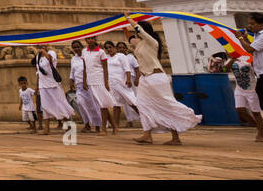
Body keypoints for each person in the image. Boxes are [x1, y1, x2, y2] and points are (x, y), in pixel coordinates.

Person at [124, 17, 200, 145]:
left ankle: (176, 136)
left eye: (138, 31)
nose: (136, 33)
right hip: (144, 79)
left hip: (156, 78)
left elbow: (139, 30)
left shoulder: (152, 42)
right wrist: (122, 25)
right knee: (143, 105)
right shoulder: (139, 43)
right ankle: (147, 135)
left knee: (167, 105)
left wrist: (129, 19)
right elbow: (130, 38)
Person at [220, 49, 263, 142]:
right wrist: (233, 59)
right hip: (239, 89)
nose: (227, 52)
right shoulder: (231, 60)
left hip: (252, 89)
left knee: (256, 112)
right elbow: (224, 69)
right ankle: (257, 125)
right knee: (240, 110)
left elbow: (257, 70)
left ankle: (261, 133)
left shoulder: (248, 58)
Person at [32, 45, 75, 135]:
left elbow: (50, 60)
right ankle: (47, 129)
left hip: (53, 84)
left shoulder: (52, 53)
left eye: (42, 45)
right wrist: (37, 86)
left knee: (59, 104)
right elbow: (38, 72)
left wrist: (44, 52)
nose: (40, 47)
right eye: (39, 45)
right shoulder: (37, 57)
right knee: (45, 106)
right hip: (43, 85)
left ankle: (68, 125)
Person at [82, 38, 116, 135]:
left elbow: (105, 69)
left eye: (92, 38)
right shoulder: (84, 51)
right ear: (85, 40)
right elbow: (84, 68)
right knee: (102, 104)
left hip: (99, 80)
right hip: (90, 81)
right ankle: (114, 127)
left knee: (103, 105)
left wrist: (106, 82)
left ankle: (103, 129)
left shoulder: (101, 52)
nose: (90, 40)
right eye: (88, 39)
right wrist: (84, 81)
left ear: (95, 39)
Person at [69, 40, 102, 133]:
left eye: (78, 46)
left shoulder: (87, 55)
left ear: (81, 46)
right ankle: (87, 124)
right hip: (79, 85)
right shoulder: (73, 59)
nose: (76, 49)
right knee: (80, 103)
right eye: (74, 47)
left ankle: (98, 126)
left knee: (93, 105)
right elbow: (72, 71)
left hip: (89, 83)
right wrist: (71, 81)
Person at [245, 13, 263, 121]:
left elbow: (250, 49)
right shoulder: (258, 36)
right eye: (249, 24)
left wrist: (241, 38)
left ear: (261, 25)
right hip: (262, 73)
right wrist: (245, 39)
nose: (250, 26)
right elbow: (253, 48)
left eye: (252, 23)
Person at [109, 41, 141, 127]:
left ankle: (145, 118)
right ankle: (129, 121)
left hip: (131, 81)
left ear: (126, 49)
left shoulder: (130, 57)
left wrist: (137, 79)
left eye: (123, 47)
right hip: (120, 81)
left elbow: (137, 69)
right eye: (119, 47)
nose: (121, 49)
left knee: (133, 100)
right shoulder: (113, 57)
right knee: (123, 104)